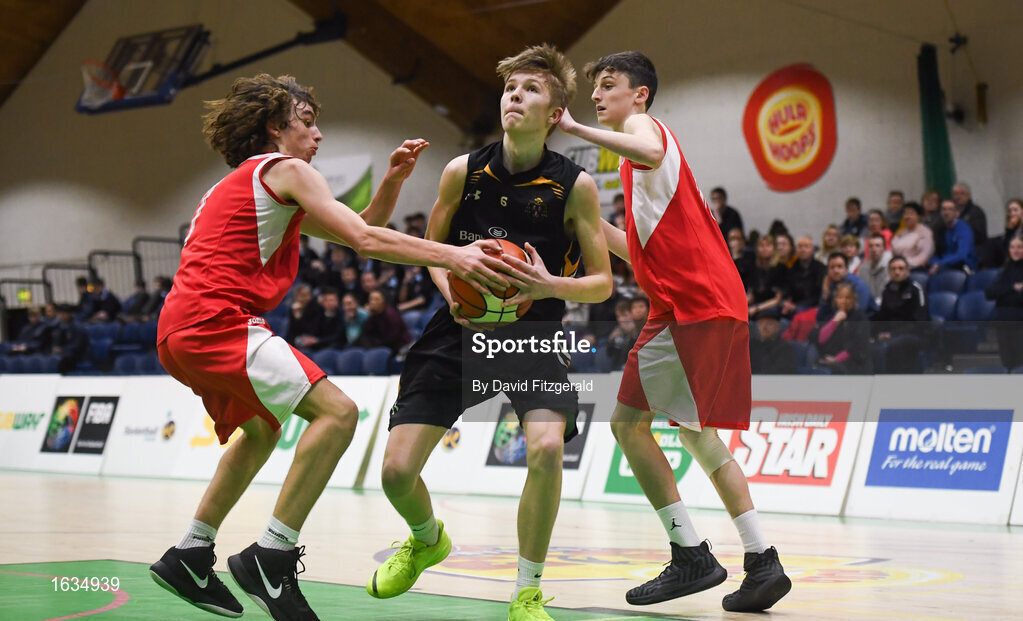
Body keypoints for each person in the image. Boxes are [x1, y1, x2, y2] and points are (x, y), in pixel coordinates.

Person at [147, 73, 507, 621]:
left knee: (262, 428)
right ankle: (273, 553)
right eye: (307, 123)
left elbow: (360, 228)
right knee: (337, 413)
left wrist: (390, 180)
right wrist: (451, 256)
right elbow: (367, 241)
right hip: (215, 321)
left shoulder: (247, 183)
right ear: (275, 129)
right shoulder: (286, 170)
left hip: (179, 330)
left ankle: (191, 552)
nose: (318, 136)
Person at [366, 45, 612, 621]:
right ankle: (427, 539)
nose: (514, 98)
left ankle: (526, 592)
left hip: (533, 337)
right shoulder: (463, 171)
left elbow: (601, 283)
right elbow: (431, 249)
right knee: (397, 473)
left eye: (529, 90)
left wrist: (548, 286)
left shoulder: (575, 186)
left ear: (554, 114)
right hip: (457, 332)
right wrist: (450, 283)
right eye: (509, 90)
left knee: (547, 448)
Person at [558, 50, 790, 612]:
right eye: (594, 90)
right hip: (702, 301)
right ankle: (762, 562)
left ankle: (690, 555)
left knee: (627, 425)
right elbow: (637, 257)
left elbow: (651, 144)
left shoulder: (645, 132)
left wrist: (571, 129)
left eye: (607, 85)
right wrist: (585, 222)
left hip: (693, 306)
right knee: (697, 435)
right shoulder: (644, 177)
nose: (596, 95)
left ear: (639, 94)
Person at [872, 256, 930, 373]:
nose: (897, 272)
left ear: (907, 271)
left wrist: (893, 334)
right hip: (890, 334)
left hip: (913, 334)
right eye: (893, 269)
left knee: (891, 347)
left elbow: (920, 322)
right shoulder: (887, 290)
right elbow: (882, 317)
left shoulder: (916, 290)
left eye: (900, 268)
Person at [810, 282, 872, 374]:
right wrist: (835, 321)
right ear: (835, 300)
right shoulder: (829, 316)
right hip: (828, 358)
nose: (844, 301)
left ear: (854, 300)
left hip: (853, 363)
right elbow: (821, 339)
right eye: (840, 297)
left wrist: (836, 359)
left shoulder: (860, 318)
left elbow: (856, 347)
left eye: (848, 298)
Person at [985, 236, 1023, 370]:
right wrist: (1012, 288)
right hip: (1003, 321)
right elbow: (989, 293)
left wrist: (1004, 293)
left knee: (1019, 362)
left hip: (1020, 322)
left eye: (1019, 247)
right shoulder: (1003, 271)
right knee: (1006, 362)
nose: (1016, 250)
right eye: (1013, 247)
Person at [817, 253, 877, 321]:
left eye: (839, 267)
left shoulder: (858, 286)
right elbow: (820, 318)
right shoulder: (829, 285)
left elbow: (857, 316)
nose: (836, 271)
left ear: (846, 269)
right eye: (832, 267)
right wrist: (825, 295)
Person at [929, 198, 977, 275]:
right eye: (944, 209)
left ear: (957, 213)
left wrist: (939, 263)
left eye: (950, 209)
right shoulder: (939, 228)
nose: (946, 213)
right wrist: (934, 263)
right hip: (943, 265)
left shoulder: (964, 229)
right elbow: (937, 253)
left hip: (963, 266)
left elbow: (961, 255)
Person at [782, 235, 826, 316]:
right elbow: (787, 290)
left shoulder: (821, 269)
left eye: (806, 246)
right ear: (796, 250)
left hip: (812, 306)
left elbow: (818, 295)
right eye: (800, 247)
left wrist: (796, 306)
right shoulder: (792, 268)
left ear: (813, 249)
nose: (803, 250)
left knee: (797, 312)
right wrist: (786, 303)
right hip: (793, 305)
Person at [746, 235, 786, 320]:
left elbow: (777, 299)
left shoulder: (780, 268)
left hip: (772, 305)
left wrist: (757, 308)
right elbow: (751, 294)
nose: (764, 248)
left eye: (768, 245)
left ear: (774, 248)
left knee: (764, 315)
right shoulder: (753, 267)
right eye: (761, 245)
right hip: (756, 303)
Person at [889, 203, 934, 271]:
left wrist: (905, 264)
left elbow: (924, 256)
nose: (907, 216)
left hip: (917, 269)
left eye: (911, 213)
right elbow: (893, 251)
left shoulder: (926, 233)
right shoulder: (900, 233)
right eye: (905, 213)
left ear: (918, 216)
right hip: (898, 268)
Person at [985, 198, 1023, 268]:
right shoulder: (1012, 227)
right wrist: (1010, 229)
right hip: (1011, 254)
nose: (1012, 213)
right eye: (1010, 211)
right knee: (991, 243)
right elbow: (1006, 245)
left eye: (1015, 210)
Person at [857, 233, 891, 306]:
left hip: (885, 306)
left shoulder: (890, 267)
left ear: (884, 249)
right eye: (871, 246)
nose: (874, 249)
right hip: (867, 306)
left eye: (877, 246)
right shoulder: (862, 268)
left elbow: (888, 294)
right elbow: (859, 290)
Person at [951, 182, 988, 248]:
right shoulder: (949, 211)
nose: (958, 197)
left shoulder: (976, 212)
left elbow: (979, 236)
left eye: (962, 193)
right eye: (955, 194)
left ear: (969, 195)